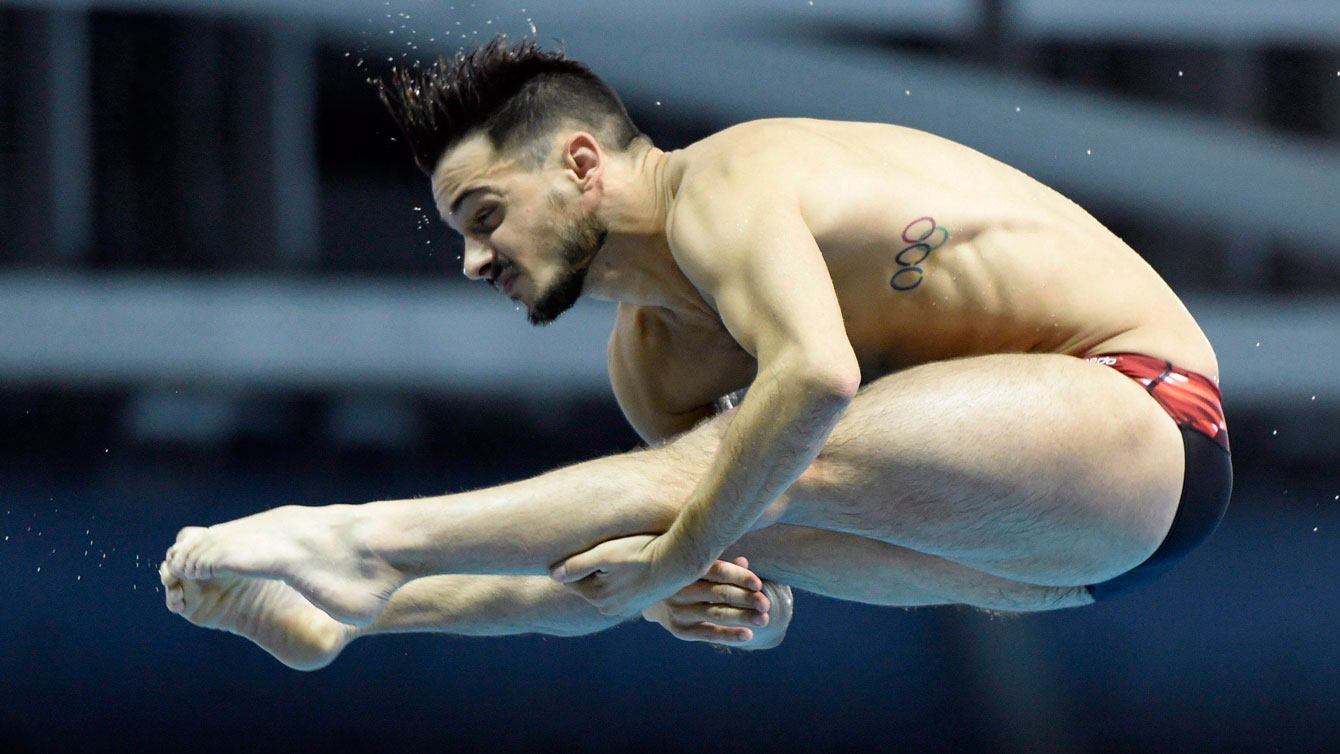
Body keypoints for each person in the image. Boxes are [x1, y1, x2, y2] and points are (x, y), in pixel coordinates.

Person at [160, 36, 1232, 668]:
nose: (473, 261)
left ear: (580, 164)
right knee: (681, 508)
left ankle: (354, 542)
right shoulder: (650, 367)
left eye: (483, 215)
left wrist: (677, 553)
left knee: (742, 463)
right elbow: (687, 569)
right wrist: (724, 602)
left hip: (1143, 422)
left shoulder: (725, 183)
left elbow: (815, 378)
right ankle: (362, 615)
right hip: (1032, 571)